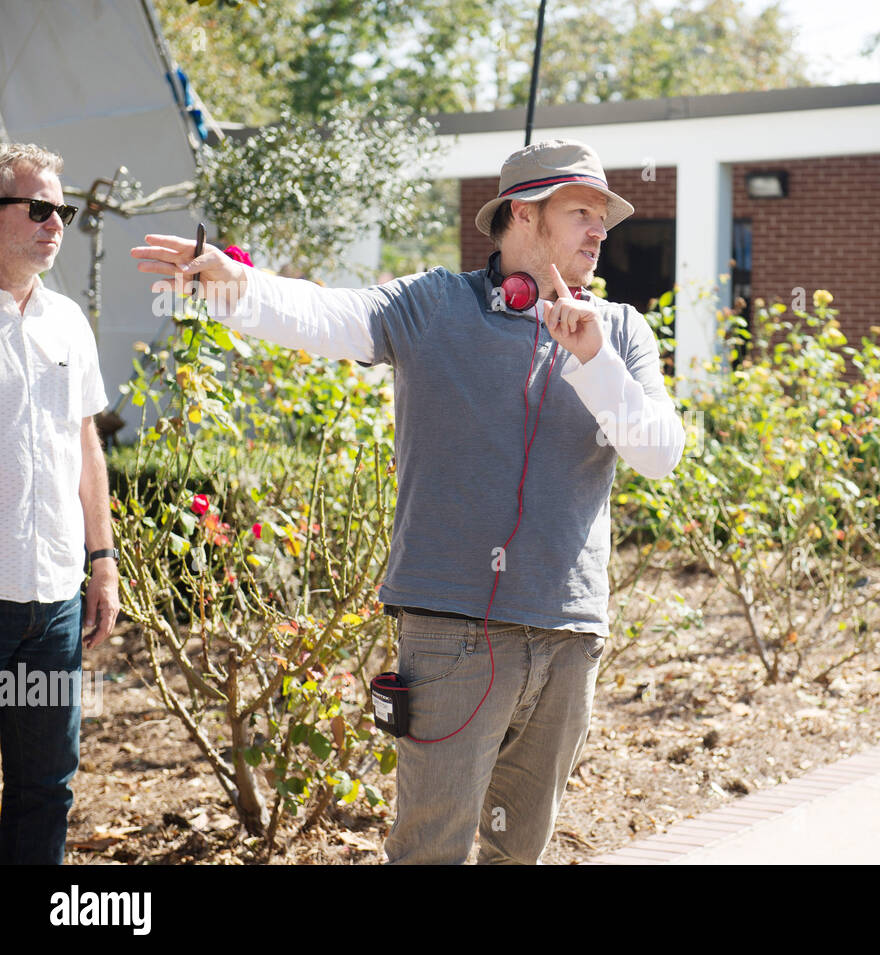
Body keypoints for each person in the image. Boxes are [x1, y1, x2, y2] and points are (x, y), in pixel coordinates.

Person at [132, 139, 685, 864]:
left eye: (603, 218)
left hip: (569, 635)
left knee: (517, 852)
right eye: (582, 211)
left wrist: (592, 360)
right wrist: (233, 284)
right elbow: (324, 315)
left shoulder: (618, 332)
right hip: (453, 634)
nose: (599, 232)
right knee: (431, 851)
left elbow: (659, 452)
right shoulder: (430, 305)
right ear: (523, 212)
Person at [0, 143, 120, 864]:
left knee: (46, 787)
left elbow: (87, 448)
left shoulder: (68, 321)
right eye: (38, 208)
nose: (55, 224)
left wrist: (102, 562)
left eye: (62, 211)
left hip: (52, 603)